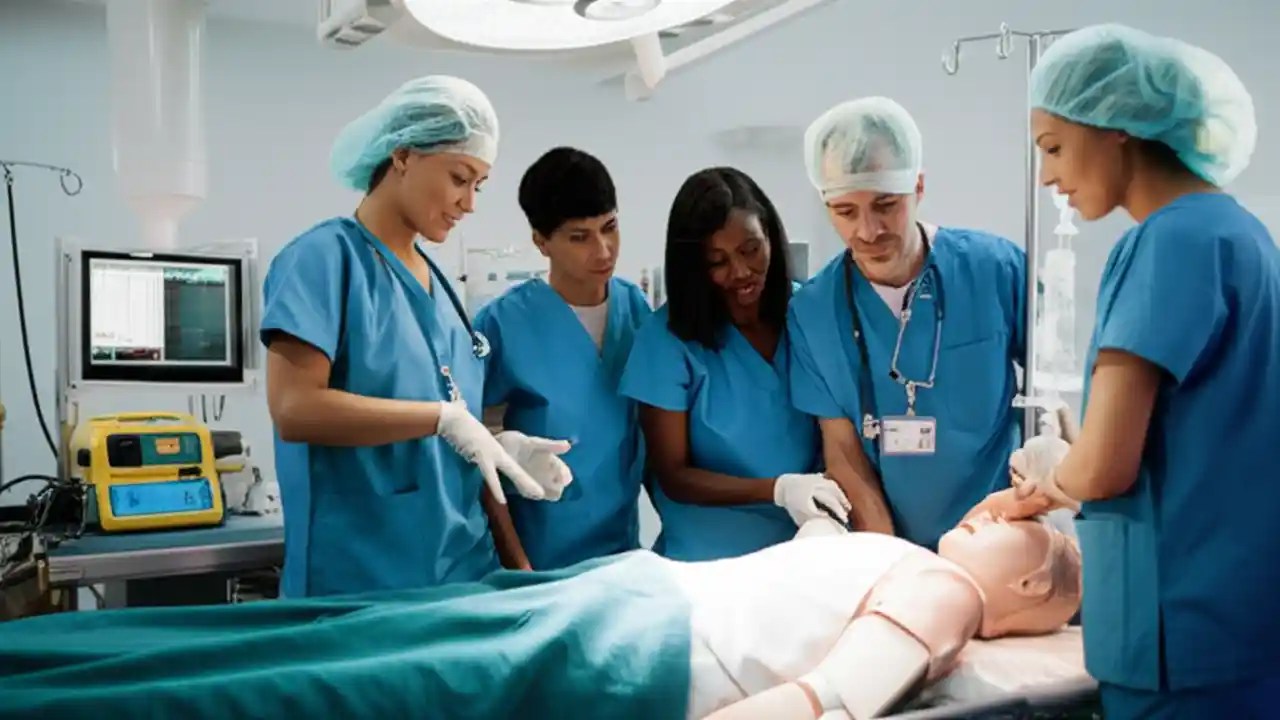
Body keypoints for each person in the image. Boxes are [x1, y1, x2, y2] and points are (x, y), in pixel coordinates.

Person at [0, 492, 1082, 720]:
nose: (991, 508)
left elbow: (834, 703)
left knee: (327, 673)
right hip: (620, 609)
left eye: (1009, 524)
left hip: (630, 639)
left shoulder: (944, 588)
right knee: (328, 658)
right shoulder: (908, 553)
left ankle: (44, 676)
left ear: (1029, 581)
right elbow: (809, 581)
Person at [1005, 23, 1280, 719]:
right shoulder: (1242, 235)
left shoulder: (1164, 244)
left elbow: (1105, 471)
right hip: (1243, 629)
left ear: (1117, 127)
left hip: (1176, 643)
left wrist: (1052, 478)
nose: (1048, 176)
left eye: (1054, 147)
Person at [259, 76, 569, 598]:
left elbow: (439, 430)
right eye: (459, 177)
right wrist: (442, 419)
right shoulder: (323, 260)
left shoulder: (442, 289)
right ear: (402, 155)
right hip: (359, 588)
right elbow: (294, 408)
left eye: (479, 185)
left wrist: (494, 450)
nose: (469, 202)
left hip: (464, 581)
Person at [787, 97, 1028, 551]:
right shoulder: (814, 312)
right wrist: (893, 563)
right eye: (846, 211)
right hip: (893, 544)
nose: (869, 230)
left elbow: (1049, 392)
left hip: (1003, 537)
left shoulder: (995, 270)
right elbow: (842, 450)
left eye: (886, 204)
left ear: (918, 187)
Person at [619, 167, 844, 561]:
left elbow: (842, 434)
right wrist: (778, 489)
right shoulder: (667, 342)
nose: (741, 272)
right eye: (717, 261)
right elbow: (673, 476)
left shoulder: (808, 316)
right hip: (709, 562)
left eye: (751, 249)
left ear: (772, 237)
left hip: (807, 546)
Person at [474, 146, 651, 571]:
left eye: (610, 228)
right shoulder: (503, 324)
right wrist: (519, 568)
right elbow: (478, 457)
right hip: (538, 554)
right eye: (579, 237)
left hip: (620, 552)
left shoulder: (636, 310)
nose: (604, 250)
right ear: (541, 242)